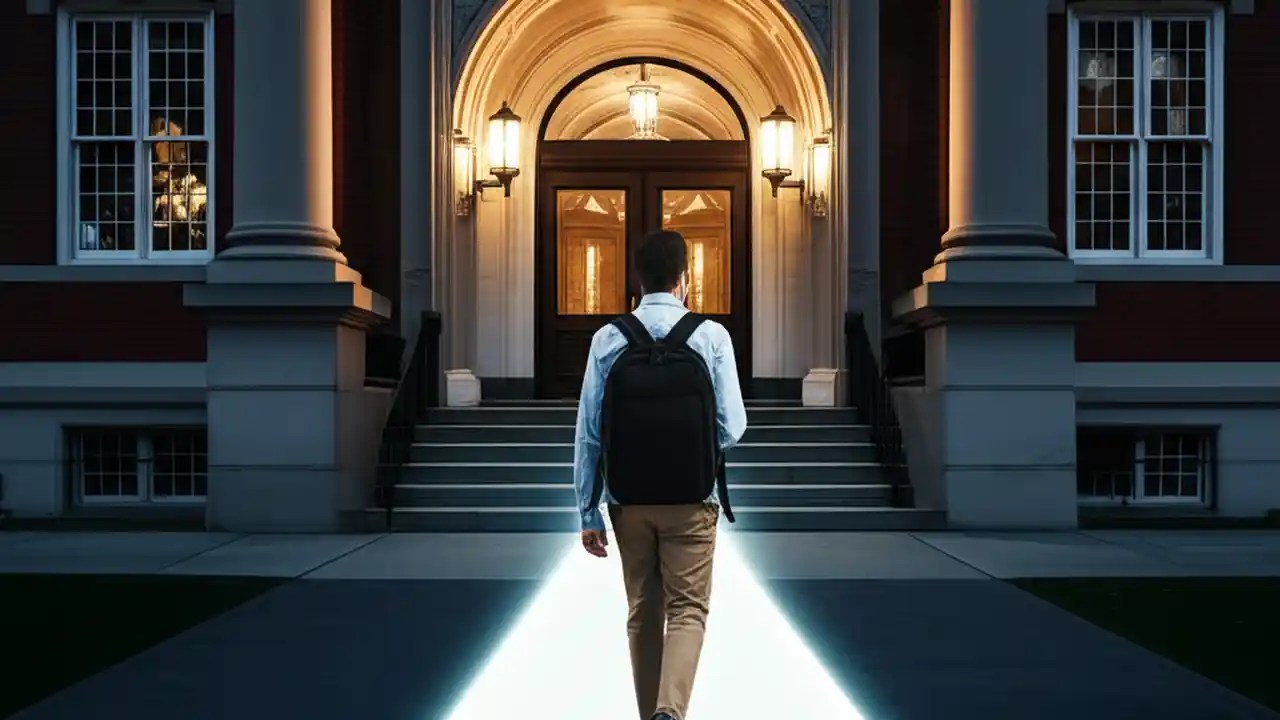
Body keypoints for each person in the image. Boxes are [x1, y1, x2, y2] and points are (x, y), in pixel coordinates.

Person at [572, 229, 747, 720]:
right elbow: (733, 426)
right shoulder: (711, 336)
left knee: (642, 611)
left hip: (628, 499)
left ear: (638, 280)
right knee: (687, 609)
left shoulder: (608, 339)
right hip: (692, 499)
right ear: (683, 280)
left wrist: (588, 511)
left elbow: (589, 432)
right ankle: (671, 712)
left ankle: (650, 713)